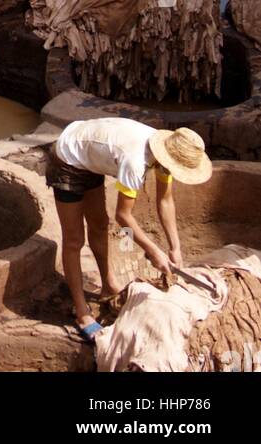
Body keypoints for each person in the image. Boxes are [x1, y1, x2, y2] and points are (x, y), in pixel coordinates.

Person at [46, 118, 212, 340]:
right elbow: (123, 216)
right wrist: (154, 251)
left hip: (89, 158)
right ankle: (82, 312)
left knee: (100, 224)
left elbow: (165, 201)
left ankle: (108, 285)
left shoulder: (165, 155)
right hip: (67, 158)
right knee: (74, 239)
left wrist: (175, 248)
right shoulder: (136, 161)